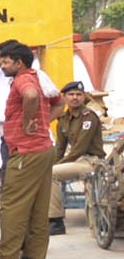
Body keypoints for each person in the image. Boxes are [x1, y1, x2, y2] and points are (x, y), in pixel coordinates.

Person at [0, 41, 64, 259]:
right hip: (42, 148)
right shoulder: (39, 77)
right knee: (37, 204)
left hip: (26, 151)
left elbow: (31, 96)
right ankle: (34, 253)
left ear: (19, 62)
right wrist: (41, 123)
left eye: (4, 62)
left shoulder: (23, 79)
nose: (1, 65)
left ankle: (6, 255)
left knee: (11, 203)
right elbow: (59, 103)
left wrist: (27, 123)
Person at [48, 81, 106, 235]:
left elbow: (80, 148)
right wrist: (52, 162)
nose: (75, 98)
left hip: (91, 161)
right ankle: (46, 216)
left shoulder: (89, 117)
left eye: (79, 94)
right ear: (64, 97)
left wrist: (57, 165)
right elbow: (60, 147)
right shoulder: (63, 119)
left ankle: (56, 221)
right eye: (71, 94)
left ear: (84, 97)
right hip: (77, 161)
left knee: (51, 174)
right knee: (45, 171)